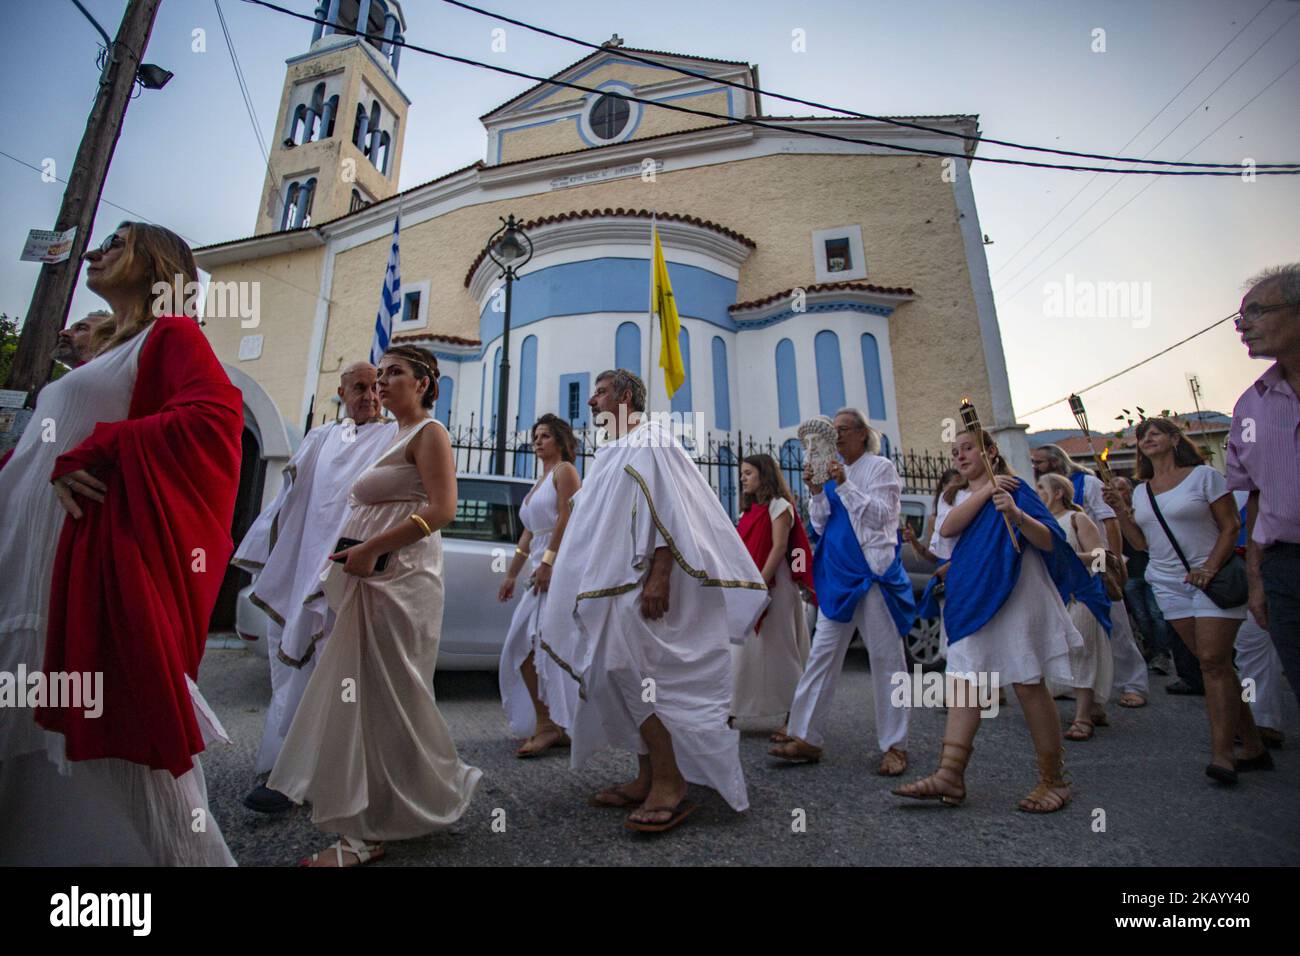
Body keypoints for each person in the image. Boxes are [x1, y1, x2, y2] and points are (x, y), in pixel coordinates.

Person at [0, 222, 242, 865]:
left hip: (73, 557)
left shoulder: (172, 334)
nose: (95, 251)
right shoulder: (111, 350)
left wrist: (104, 446)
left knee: (118, 744)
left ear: (156, 262)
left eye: (115, 241)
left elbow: (213, 418)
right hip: (21, 548)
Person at [268, 345, 481, 865]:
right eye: (378, 374)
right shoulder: (394, 434)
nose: (382, 382)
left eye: (394, 374)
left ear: (424, 383)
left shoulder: (430, 433)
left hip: (400, 580)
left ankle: (370, 828)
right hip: (373, 576)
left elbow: (443, 509)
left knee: (384, 696)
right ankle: (407, 801)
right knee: (369, 696)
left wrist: (371, 548)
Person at [540, 370, 767, 833]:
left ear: (625, 396)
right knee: (614, 674)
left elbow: (672, 510)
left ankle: (669, 780)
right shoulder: (613, 451)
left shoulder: (653, 440)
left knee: (641, 676)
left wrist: (661, 575)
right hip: (610, 586)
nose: (592, 402)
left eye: (601, 393)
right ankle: (646, 775)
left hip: (641, 582)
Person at [893, 428, 1091, 813]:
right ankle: (950, 774)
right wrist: (986, 492)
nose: (960, 456)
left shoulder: (1017, 490)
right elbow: (947, 530)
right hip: (973, 597)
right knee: (965, 683)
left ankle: (1054, 780)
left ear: (991, 451)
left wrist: (1016, 514)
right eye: (955, 451)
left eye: (968, 448)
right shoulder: (960, 498)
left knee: (1027, 682)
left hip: (1016, 592)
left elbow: (1050, 540)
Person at [232, 362, 397, 812]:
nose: (370, 396)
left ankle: (331, 776)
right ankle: (286, 767)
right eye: (359, 387)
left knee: (340, 677)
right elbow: (291, 502)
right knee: (294, 670)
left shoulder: (394, 437)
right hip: (307, 568)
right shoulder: (322, 438)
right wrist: (274, 560)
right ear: (341, 393)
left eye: (376, 387)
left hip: (352, 573)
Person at [1104, 418, 1269, 785]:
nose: (1147, 438)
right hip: (1167, 583)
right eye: (1142, 436)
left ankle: (1222, 755)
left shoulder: (1204, 477)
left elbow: (1231, 526)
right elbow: (1141, 543)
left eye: (1155, 433)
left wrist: (1209, 568)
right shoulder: (1142, 491)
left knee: (1212, 662)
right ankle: (1253, 744)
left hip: (1211, 579)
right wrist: (1120, 512)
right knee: (1215, 665)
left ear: (1175, 439)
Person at [770, 409, 914, 775]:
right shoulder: (832, 472)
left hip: (873, 574)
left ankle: (895, 745)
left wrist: (845, 484)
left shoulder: (879, 468)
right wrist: (818, 492)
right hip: (838, 575)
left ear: (863, 434)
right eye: (834, 431)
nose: (837, 437)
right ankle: (806, 736)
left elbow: (881, 516)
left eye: (844, 430)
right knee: (822, 655)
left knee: (886, 658)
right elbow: (820, 524)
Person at [1227, 263, 1300, 705]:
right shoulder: (1251, 407)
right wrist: (1257, 579)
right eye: (1240, 318)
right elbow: (1255, 497)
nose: (1243, 327)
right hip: (1285, 566)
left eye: (1255, 312)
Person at [1033, 444, 1148, 709]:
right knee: (1075, 632)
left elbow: (1110, 520)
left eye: (1039, 462)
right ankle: (1078, 685)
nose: (1035, 466)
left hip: (1094, 565)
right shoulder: (1046, 491)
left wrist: (1114, 561)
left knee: (1116, 626)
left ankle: (1133, 684)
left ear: (1054, 461)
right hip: (1066, 574)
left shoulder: (1088, 483)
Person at [498, 414, 582, 757]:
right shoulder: (539, 481)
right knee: (530, 644)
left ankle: (550, 725)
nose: (537, 441)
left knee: (533, 643)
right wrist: (511, 573)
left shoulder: (565, 471)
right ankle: (557, 723)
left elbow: (567, 517)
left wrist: (548, 562)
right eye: (535, 436)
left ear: (560, 440)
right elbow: (529, 532)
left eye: (545, 435)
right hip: (539, 568)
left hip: (558, 566)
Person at [732, 454, 814, 731]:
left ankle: (795, 713)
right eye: (742, 473)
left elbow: (779, 547)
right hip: (752, 586)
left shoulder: (780, 506)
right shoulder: (747, 511)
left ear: (764, 475)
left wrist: (760, 583)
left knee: (781, 650)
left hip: (775, 586)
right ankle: (732, 708)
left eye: (748, 473)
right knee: (743, 652)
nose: (742, 478)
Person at [1037, 473, 1114, 740]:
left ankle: (1083, 718)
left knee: (1082, 652)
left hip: (1080, 594)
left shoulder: (1076, 519)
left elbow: (1101, 558)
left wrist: (1068, 556)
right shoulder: (1041, 524)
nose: (1037, 492)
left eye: (1042, 487)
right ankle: (1092, 708)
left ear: (1058, 492)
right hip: (1053, 597)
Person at [1114, 476, 1204, 695]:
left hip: (1164, 571)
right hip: (1135, 572)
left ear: (1130, 490)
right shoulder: (1118, 513)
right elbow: (1129, 543)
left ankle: (1166, 657)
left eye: (1122, 488)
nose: (1119, 492)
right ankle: (1165, 657)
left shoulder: (1142, 507)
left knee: (1157, 615)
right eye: (1115, 489)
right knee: (1142, 616)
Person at [903, 468, 961, 566]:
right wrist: (914, 539)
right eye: (956, 485)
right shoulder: (934, 520)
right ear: (944, 487)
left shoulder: (966, 516)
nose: (959, 490)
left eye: (962, 487)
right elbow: (933, 556)